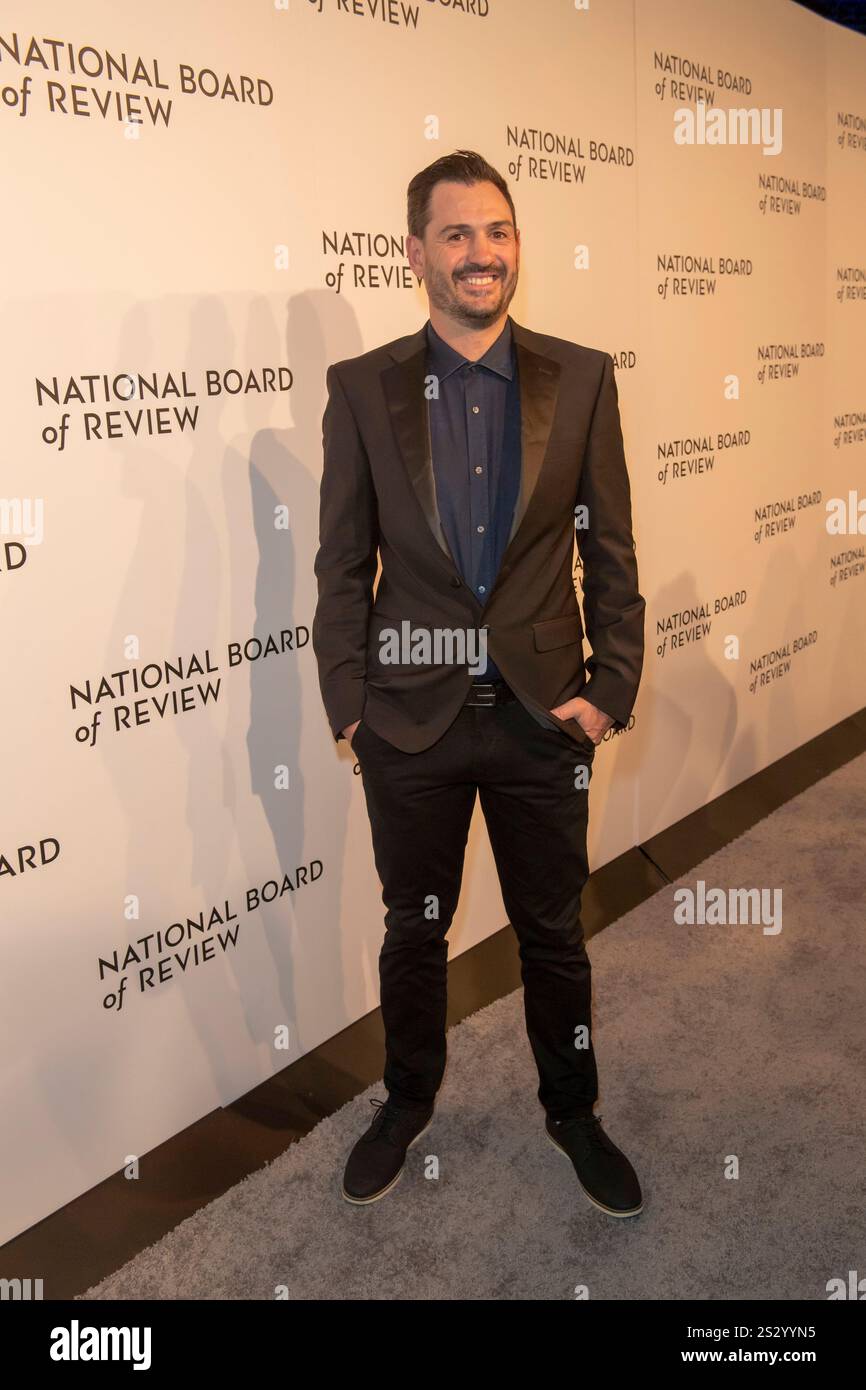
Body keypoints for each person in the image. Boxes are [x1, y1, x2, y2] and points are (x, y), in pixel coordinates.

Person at [312, 150, 645, 1217]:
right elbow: (339, 563)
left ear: (516, 244)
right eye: (455, 235)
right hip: (409, 722)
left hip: (545, 716)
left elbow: (615, 552)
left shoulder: (580, 377)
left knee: (552, 929)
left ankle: (573, 1110)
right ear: (415, 253)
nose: (479, 254)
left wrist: (609, 686)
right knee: (414, 927)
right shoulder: (361, 390)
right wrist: (349, 706)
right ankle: (406, 1101)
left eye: (495, 231)